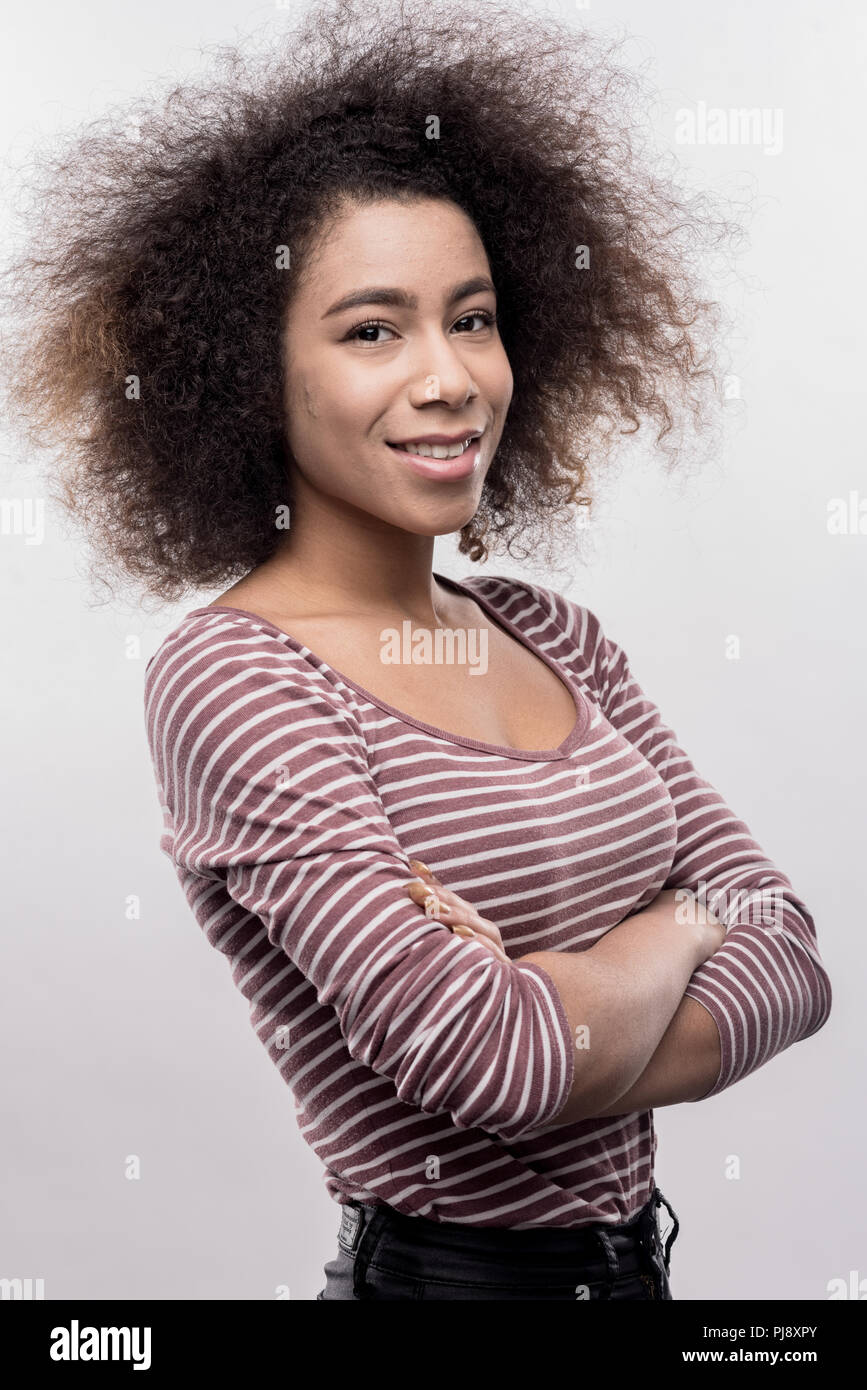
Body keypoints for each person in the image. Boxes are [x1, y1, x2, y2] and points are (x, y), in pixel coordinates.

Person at [0, 0, 831, 1300]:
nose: (449, 378)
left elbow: (792, 949)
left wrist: (590, 990)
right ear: (250, 375)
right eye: (372, 329)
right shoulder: (235, 677)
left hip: (642, 1277)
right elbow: (493, 1064)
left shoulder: (553, 633)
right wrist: (684, 925)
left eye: (476, 317)